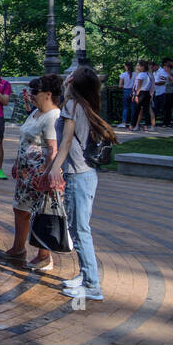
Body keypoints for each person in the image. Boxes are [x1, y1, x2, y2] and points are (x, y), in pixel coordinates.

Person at [52, 67, 115, 301]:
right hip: (85, 173)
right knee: (79, 228)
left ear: (72, 82)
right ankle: (85, 274)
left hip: (78, 174)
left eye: (71, 75)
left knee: (80, 230)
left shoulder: (72, 106)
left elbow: (66, 142)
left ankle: (92, 285)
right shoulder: (83, 105)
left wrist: (54, 169)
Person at [1, 74, 63, 272]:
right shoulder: (36, 112)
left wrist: (48, 174)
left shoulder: (53, 116)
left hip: (40, 176)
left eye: (35, 92)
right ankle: (18, 248)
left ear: (48, 94)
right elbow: (26, 141)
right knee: (20, 209)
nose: (31, 95)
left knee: (41, 213)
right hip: (26, 173)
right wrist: (18, 162)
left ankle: (44, 256)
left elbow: (53, 149)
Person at [131, 61, 153, 131]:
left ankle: (132, 125)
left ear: (143, 67)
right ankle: (146, 126)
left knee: (136, 110)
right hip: (147, 93)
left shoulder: (141, 75)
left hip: (141, 93)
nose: (137, 67)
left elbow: (139, 86)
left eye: (138, 66)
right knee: (146, 110)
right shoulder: (149, 74)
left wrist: (136, 95)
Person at [151, 58, 170, 127]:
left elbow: (164, 81)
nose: (151, 69)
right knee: (155, 108)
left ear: (155, 66)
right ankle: (154, 122)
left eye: (152, 67)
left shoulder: (162, 71)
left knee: (164, 108)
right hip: (157, 92)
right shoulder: (154, 73)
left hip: (163, 92)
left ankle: (166, 122)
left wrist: (155, 83)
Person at [118, 62, 136, 129]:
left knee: (125, 108)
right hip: (133, 91)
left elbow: (120, 86)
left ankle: (124, 122)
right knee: (133, 108)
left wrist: (124, 86)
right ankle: (132, 122)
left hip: (126, 91)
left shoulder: (123, 75)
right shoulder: (135, 74)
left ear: (126, 67)